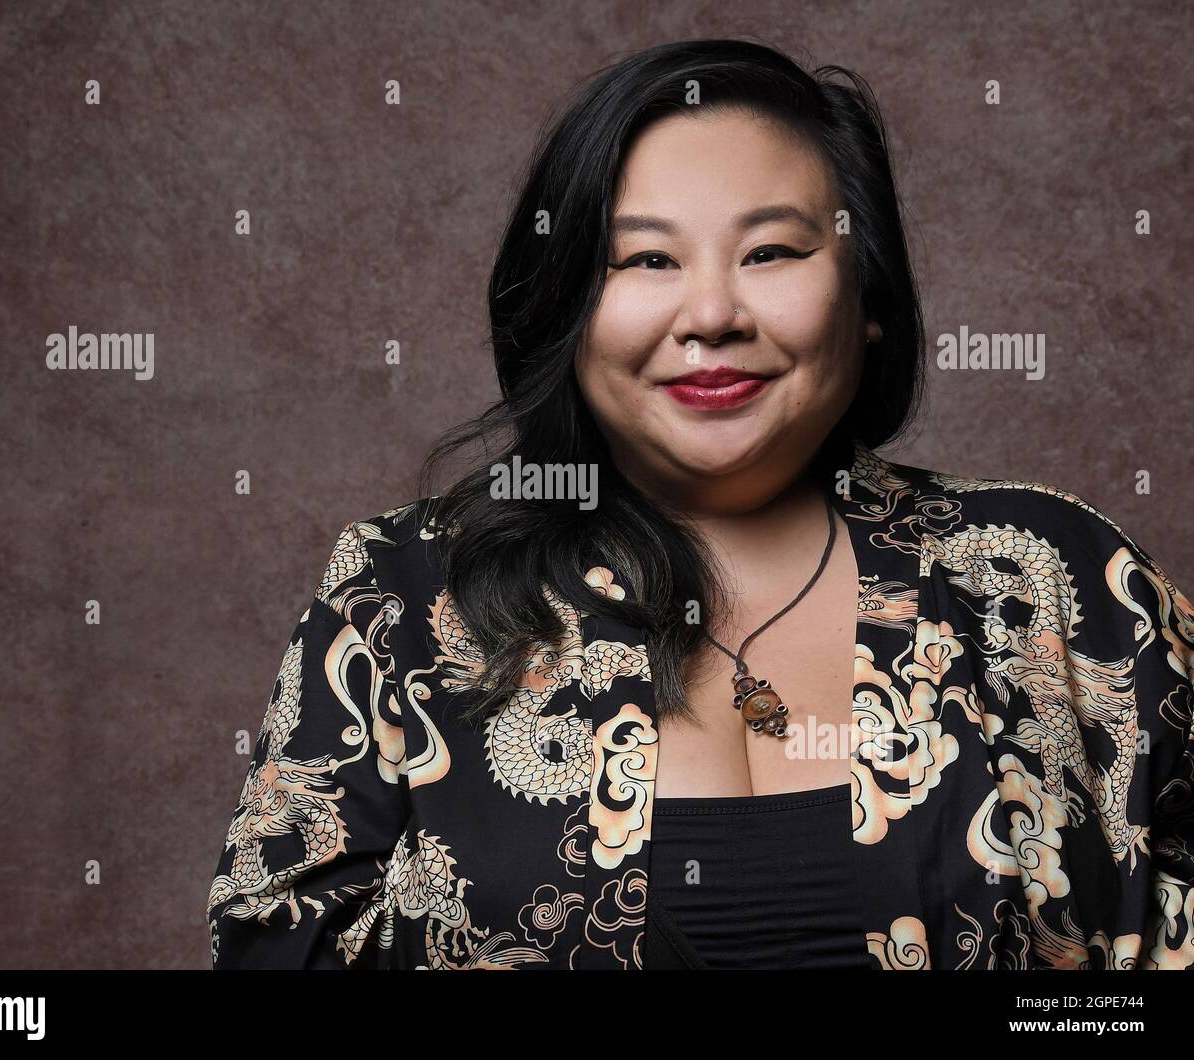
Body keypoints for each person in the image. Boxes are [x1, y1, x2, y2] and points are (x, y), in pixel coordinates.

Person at [205, 37, 1194, 970]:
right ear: (564, 304)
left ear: (869, 293)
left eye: (770, 252)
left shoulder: (1056, 576)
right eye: (644, 260)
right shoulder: (403, 593)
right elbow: (271, 942)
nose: (713, 313)